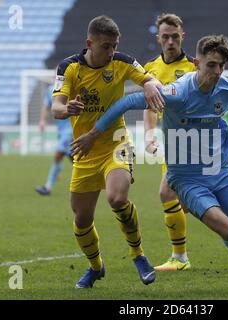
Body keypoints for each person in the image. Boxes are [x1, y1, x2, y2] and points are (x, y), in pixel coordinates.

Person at [70, 34, 228, 292]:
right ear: (197, 63)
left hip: (220, 171)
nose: (216, 72)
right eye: (211, 65)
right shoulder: (176, 93)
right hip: (186, 180)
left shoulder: (225, 88)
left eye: (221, 66)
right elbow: (126, 102)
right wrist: (93, 134)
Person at [51, 15, 165, 288]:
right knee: (81, 218)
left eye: (114, 45)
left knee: (116, 197)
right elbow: (57, 107)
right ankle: (95, 267)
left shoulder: (122, 62)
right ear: (89, 43)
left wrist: (149, 82)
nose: (111, 51)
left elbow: (151, 80)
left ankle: (138, 255)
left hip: (116, 142)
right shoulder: (68, 68)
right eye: (105, 45)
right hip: (85, 151)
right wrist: (66, 109)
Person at [143, 13, 228, 271]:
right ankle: (182, 255)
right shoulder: (150, 68)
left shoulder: (194, 66)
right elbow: (149, 105)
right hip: (175, 140)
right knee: (171, 195)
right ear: (158, 38)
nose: (171, 41)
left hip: (201, 147)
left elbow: (215, 112)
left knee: (172, 195)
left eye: (175, 36)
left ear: (182, 36)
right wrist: (148, 134)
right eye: (165, 37)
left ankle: (181, 256)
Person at [35, 85, 73, 196]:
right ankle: (90, 180)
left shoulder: (72, 86)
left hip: (71, 128)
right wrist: (42, 120)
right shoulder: (51, 90)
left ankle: (48, 187)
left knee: (58, 154)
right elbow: (46, 106)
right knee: (74, 158)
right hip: (61, 129)